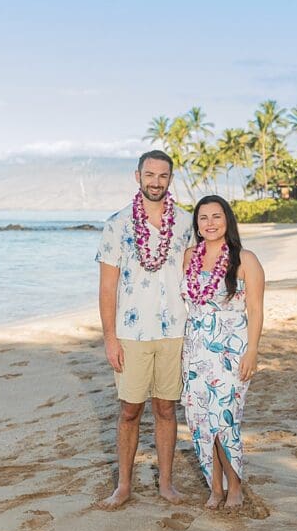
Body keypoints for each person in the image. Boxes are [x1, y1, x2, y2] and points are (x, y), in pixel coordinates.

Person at [94, 151, 193, 509]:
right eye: (149, 174)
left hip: (174, 330)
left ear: (170, 179)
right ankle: (123, 486)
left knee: (166, 409)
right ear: (137, 176)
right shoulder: (117, 224)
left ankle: (166, 483)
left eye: (163, 176)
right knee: (130, 411)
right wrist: (110, 338)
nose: (156, 182)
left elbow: (194, 276)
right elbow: (107, 288)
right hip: (131, 334)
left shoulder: (186, 223)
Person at [181, 195, 264, 509]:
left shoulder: (245, 259)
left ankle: (235, 485)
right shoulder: (189, 257)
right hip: (195, 349)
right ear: (197, 225)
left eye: (216, 216)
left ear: (227, 219)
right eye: (203, 218)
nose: (210, 223)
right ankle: (215, 488)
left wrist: (252, 351)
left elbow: (255, 310)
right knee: (199, 420)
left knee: (224, 419)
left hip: (231, 351)